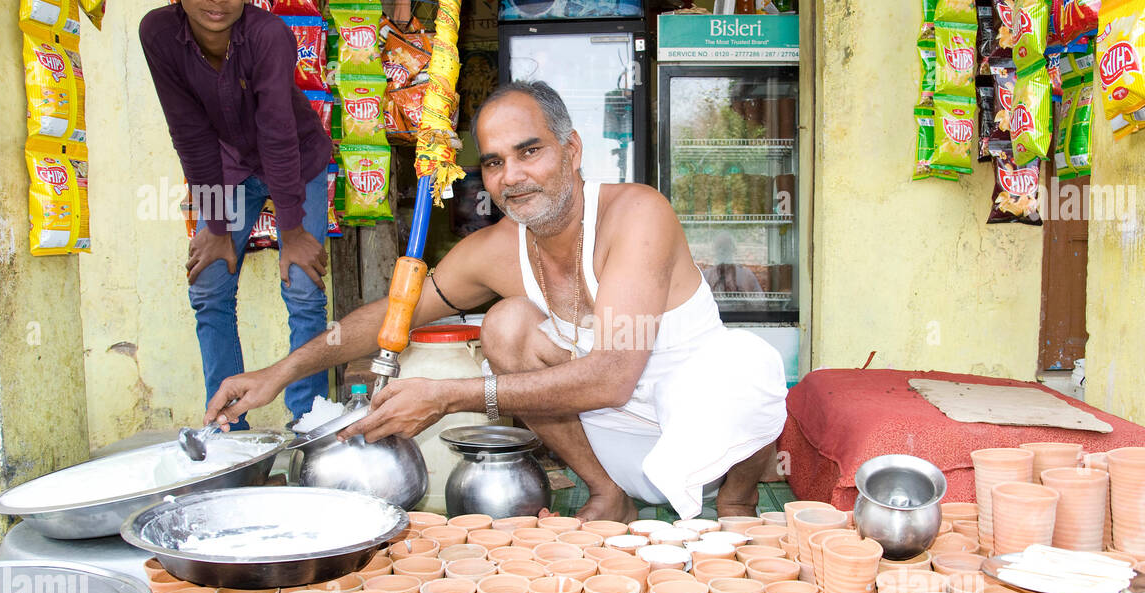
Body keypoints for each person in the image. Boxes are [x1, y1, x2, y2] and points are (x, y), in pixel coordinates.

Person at [206, 81, 788, 521]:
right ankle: (608, 496)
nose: (512, 176)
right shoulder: (495, 250)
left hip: (703, 428)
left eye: (529, 151)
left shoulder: (635, 214)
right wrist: (280, 371)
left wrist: (448, 397)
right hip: (612, 438)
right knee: (505, 324)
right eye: (493, 162)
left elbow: (611, 374)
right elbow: (392, 317)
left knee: (747, 362)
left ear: (572, 149)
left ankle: (737, 507)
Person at [139, 0, 333, 426]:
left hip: (296, 157)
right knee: (209, 284)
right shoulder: (157, 34)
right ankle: (228, 427)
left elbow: (277, 132)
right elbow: (190, 133)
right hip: (223, 166)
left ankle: (309, 421)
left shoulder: (268, 34)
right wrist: (217, 227)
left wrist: (292, 231)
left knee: (303, 285)